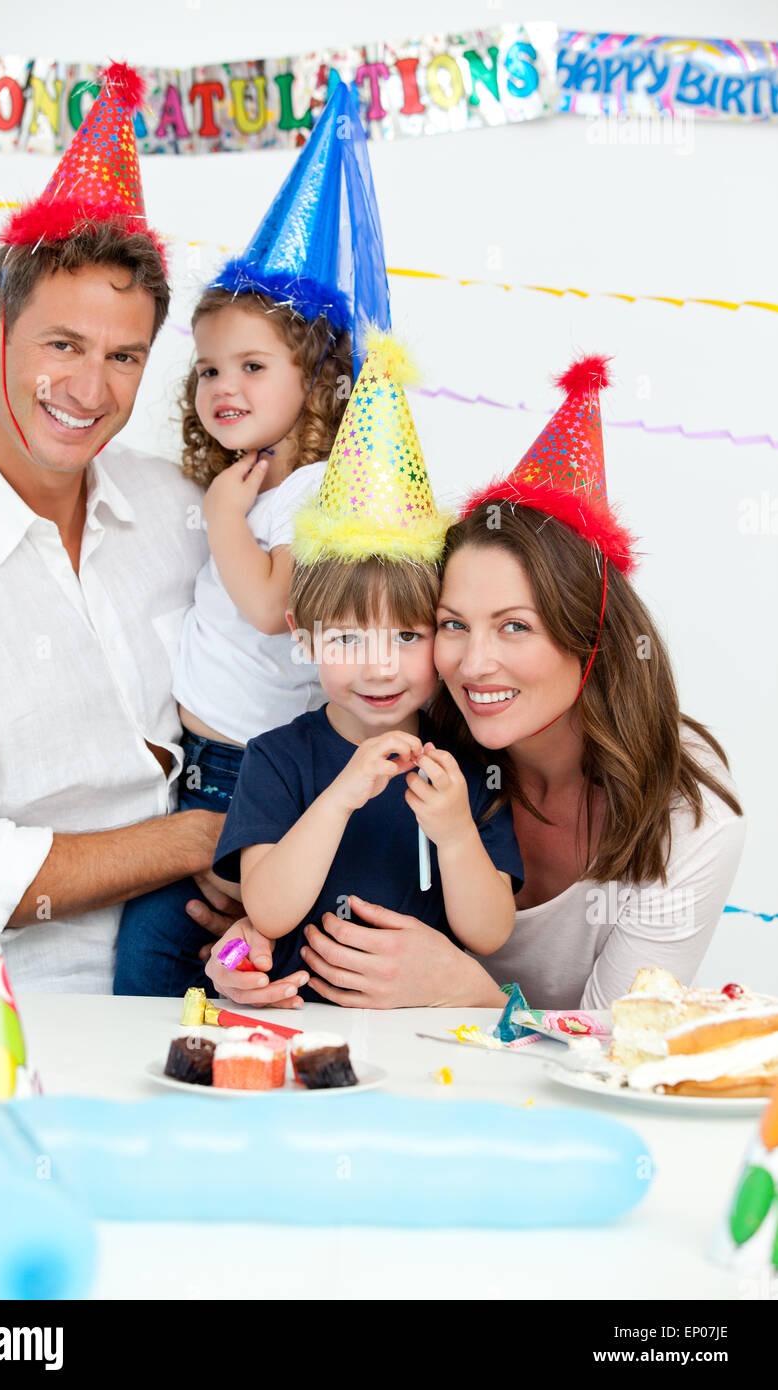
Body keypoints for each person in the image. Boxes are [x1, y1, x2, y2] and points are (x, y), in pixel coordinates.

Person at [204, 355, 745, 1011]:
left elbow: (618, 1045)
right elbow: (276, 894)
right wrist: (255, 935)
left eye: (515, 626)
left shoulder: (683, 815)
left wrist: (466, 993)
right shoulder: (417, 729)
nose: (473, 664)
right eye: (452, 624)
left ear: (591, 635)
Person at [0, 64, 233, 991]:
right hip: (21, 1022)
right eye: (63, 345)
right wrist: (194, 840)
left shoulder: (181, 511)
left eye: (123, 356)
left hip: (221, 986)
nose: (91, 393)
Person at [114, 78, 391, 995]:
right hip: (195, 770)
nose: (221, 386)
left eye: (252, 366)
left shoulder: (317, 489)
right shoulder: (248, 478)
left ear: (315, 382)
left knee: (162, 954)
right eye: (206, 369)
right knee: (185, 956)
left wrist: (227, 518)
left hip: (247, 774)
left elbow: (274, 607)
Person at [210, 334, 522, 1001]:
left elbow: (492, 932)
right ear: (304, 636)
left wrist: (456, 833)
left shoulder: (469, 767)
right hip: (296, 1031)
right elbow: (265, 912)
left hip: (427, 1040)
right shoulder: (277, 759)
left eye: (408, 635)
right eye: (348, 640)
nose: (379, 667)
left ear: (440, 635)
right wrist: (342, 795)